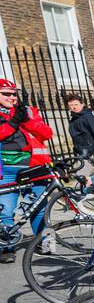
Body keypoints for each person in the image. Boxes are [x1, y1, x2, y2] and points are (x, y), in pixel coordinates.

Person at [0, 77, 54, 262]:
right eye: (6, 94)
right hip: (6, 169)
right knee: (5, 210)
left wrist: (27, 121)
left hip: (35, 167)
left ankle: (46, 242)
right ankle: (6, 247)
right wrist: (13, 122)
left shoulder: (28, 111)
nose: (12, 97)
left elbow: (47, 133)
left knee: (40, 207)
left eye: (14, 93)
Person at [66, 92, 94, 163]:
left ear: (82, 104)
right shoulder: (73, 121)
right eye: (71, 105)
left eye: (76, 104)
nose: (74, 107)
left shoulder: (89, 117)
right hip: (84, 154)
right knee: (79, 174)